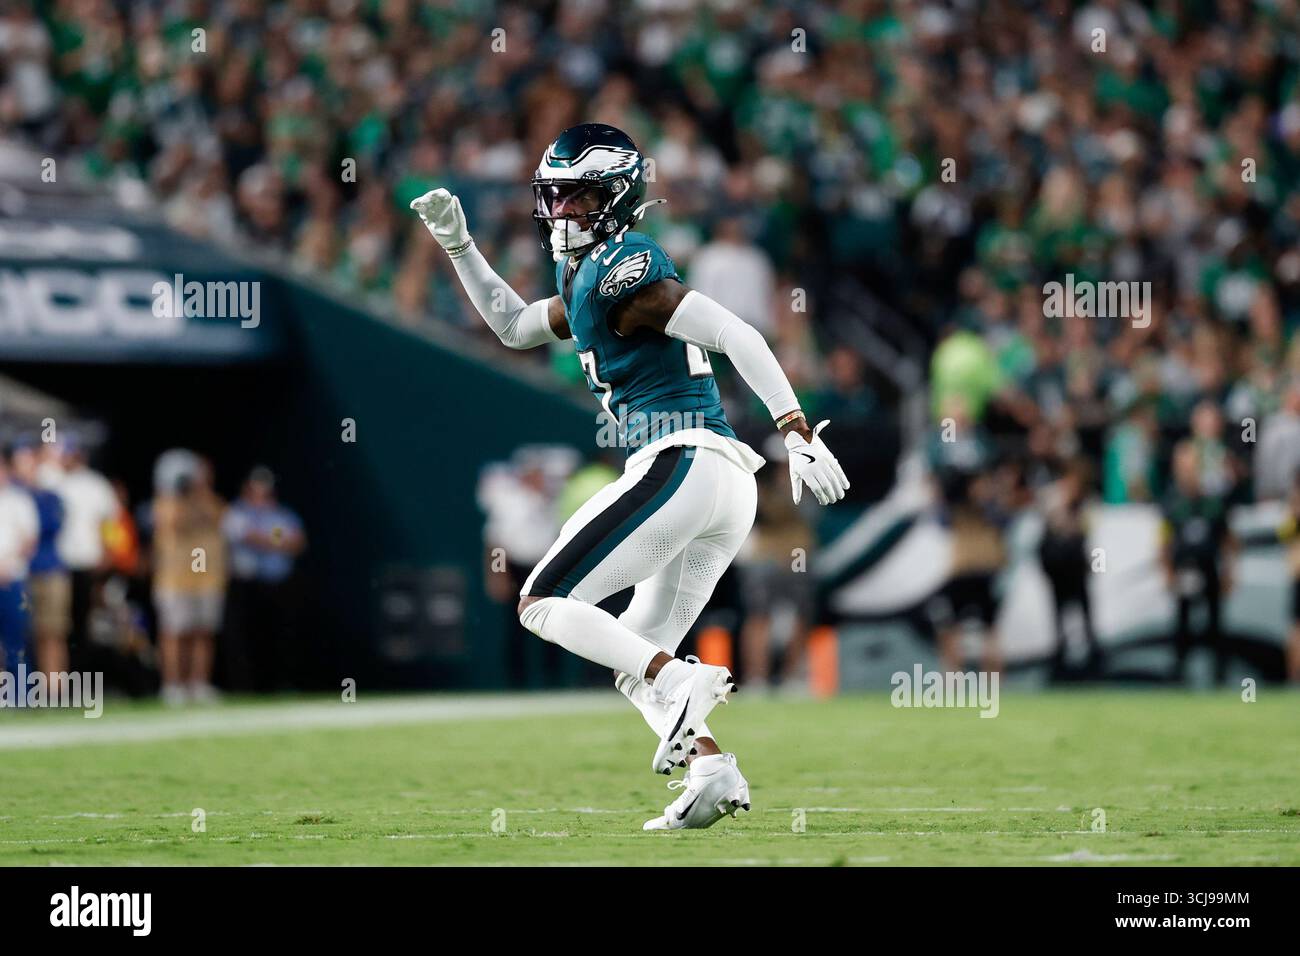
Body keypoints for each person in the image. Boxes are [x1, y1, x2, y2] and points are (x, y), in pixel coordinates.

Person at [410, 123, 849, 832]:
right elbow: (516, 326)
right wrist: (459, 245)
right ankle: (709, 768)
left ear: (615, 198)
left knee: (543, 600)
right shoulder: (587, 274)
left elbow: (737, 333)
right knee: (635, 654)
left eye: (577, 198)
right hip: (716, 484)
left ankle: (682, 680)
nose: (561, 213)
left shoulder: (627, 268)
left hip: (684, 461)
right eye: (553, 197)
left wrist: (795, 429)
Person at [221, 467, 305, 691]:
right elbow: (254, 537)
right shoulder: (236, 512)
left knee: (279, 636)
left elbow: (295, 542)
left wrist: (269, 539)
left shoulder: (280, 515)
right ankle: (245, 687)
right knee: (245, 638)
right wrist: (273, 540)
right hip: (246, 585)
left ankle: (280, 684)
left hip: (277, 585)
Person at [152, 459, 227, 704]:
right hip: (174, 579)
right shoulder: (166, 503)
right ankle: (172, 685)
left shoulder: (212, 503)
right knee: (174, 633)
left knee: (203, 633)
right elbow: (174, 523)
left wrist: (200, 493)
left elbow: (218, 519)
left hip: (207, 579)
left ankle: (199, 683)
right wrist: (182, 495)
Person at [1161, 442, 1237, 684]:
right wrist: (1168, 571)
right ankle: (1179, 675)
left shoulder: (1214, 502)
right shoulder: (1172, 502)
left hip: (1209, 568)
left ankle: (1218, 675)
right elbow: (1164, 540)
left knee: (1215, 624)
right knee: (1182, 624)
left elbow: (1228, 540)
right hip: (1185, 568)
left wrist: (1229, 571)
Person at [9, 443, 70, 679]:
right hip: (18, 573)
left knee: (52, 632)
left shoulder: (49, 495)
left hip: (49, 570)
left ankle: (54, 691)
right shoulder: (12, 495)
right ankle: (19, 692)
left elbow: (51, 525)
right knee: (18, 635)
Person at [0, 453, 38, 670]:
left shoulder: (19, 500)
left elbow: (29, 540)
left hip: (12, 579)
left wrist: (5, 567)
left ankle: (21, 694)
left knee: (16, 641)